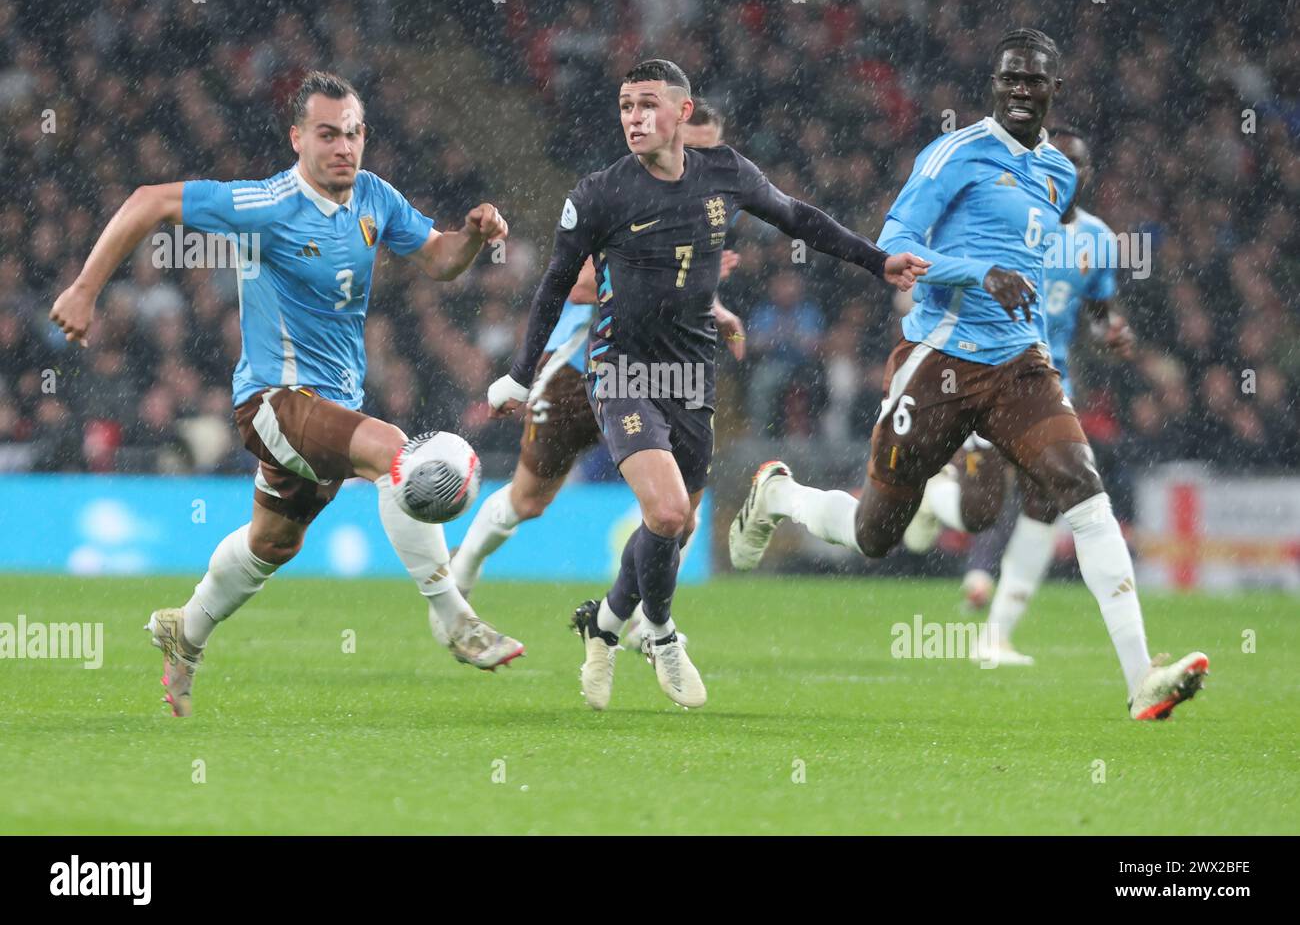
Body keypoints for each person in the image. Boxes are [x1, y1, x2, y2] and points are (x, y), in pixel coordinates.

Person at [729, 31, 1208, 720]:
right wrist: (977, 271)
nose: (1020, 90)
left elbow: (1044, 273)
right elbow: (895, 246)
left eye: (1033, 81)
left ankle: (1142, 678)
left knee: (1084, 491)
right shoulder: (955, 153)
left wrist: (1074, 329)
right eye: (1009, 79)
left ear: (1054, 90)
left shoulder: (1057, 174)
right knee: (874, 534)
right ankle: (779, 494)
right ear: (994, 84)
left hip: (1019, 365)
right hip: (940, 360)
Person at [50, 72, 524, 717]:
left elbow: (439, 259)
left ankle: (185, 630)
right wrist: (84, 289)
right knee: (395, 453)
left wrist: (472, 235)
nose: (343, 147)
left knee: (274, 544)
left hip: (332, 408)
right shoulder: (265, 205)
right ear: (297, 137)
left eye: (353, 134)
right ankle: (452, 618)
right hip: (271, 401)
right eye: (328, 134)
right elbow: (147, 200)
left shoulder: (375, 199)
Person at [489, 59, 927, 710]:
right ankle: (661, 633)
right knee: (665, 512)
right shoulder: (600, 193)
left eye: (647, 105)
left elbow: (799, 218)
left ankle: (606, 625)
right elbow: (556, 283)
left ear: (683, 113)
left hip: (692, 371)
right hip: (623, 370)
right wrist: (520, 376)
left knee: (679, 525)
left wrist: (877, 260)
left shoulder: (725, 173)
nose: (634, 118)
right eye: (625, 106)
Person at [449, 102, 745, 642]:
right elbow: (579, 284)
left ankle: (631, 623)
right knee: (530, 500)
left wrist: (714, 308)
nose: (698, 160)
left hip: (655, 380)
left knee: (678, 518)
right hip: (580, 377)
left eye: (709, 151)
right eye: (692, 147)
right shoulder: (626, 196)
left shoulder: (717, 204)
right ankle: (462, 569)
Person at [902, 127, 1138, 665]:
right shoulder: (1013, 223)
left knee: (1045, 504)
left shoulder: (1098, 239)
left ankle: (997, 635)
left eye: (1077, 168)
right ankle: (935, 497)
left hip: (1049, 383)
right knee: (978, 510)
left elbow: (1099, 314)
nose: (1067, 176)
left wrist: (1113, 332)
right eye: (1060, 164)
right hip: (990, 373)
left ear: (1086, 175)